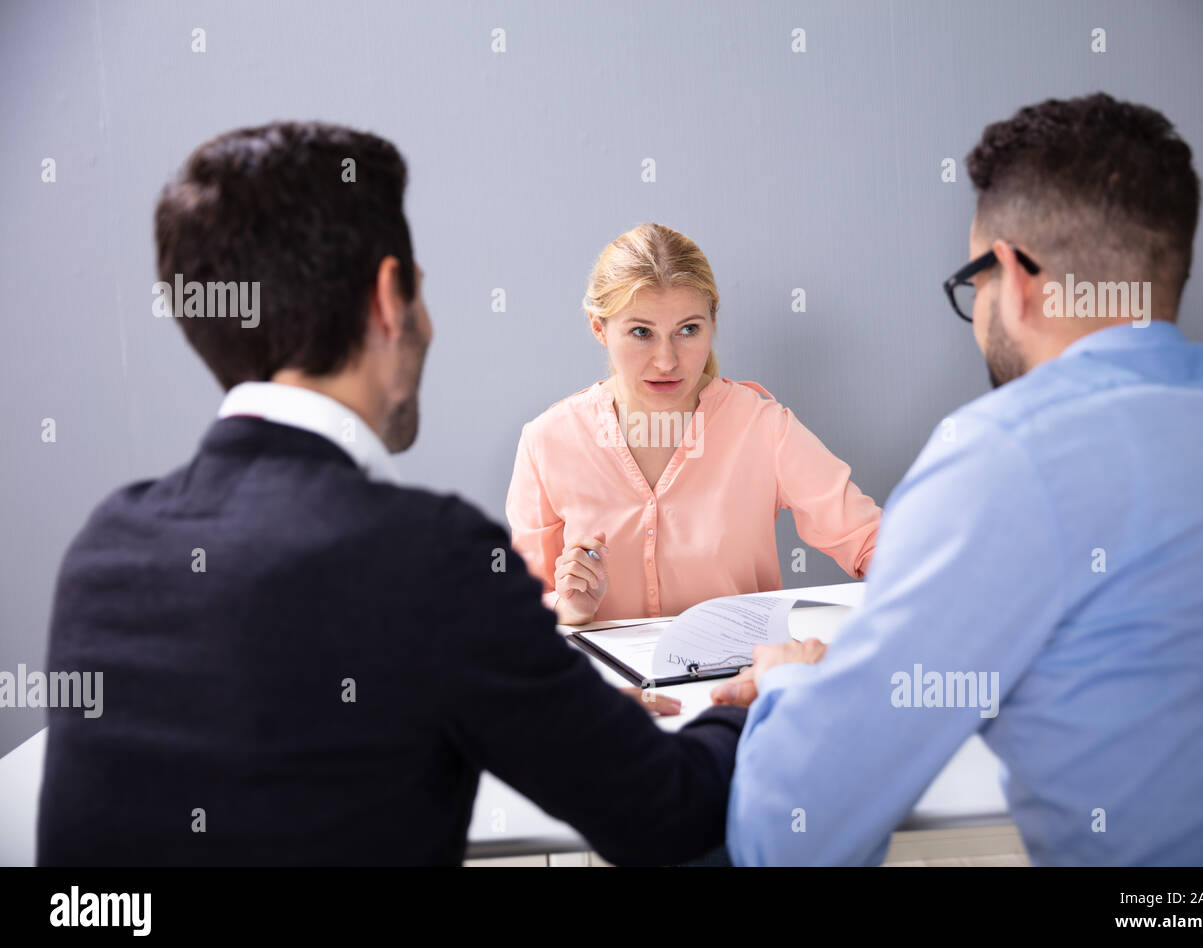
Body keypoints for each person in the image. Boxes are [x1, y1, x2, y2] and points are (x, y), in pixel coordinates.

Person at [37, 122, 748, 867]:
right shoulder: (432, 560)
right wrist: (768, 696)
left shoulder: (103, 552)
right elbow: (672, 812)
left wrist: (562, 715)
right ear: (389, 299)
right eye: (421, 288)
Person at [718, 92, 1203, 865]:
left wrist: (794, 687)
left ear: (1013, 276)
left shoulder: (1001, 459)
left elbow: (788, 841)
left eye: (975, 280)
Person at [506, 223, 883, 626]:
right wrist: (569, 607)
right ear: (599, 328)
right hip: (604, 687)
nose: (667, 361)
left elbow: (872, 545)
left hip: (737, 683)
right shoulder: (547, 441)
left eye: (688, 330)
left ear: (712, 322)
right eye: (641, 332)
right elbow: (520, 610)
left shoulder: (763, 428)